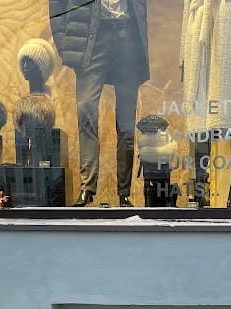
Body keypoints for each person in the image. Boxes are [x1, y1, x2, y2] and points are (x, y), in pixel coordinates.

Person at [49, 0, 149, 207]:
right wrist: (64, 44)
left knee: (126, 123)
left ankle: (124, 194)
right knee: (86, 111)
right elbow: (57, 5)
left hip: (127, 35)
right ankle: (87, 187)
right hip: (91, 37)